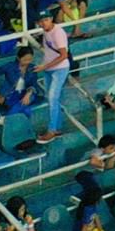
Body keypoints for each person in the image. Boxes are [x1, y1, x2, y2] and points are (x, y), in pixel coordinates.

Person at [36, 9, 72, 138]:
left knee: (52, 98)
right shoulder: (46, 32)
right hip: (49, 69)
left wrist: (44, 66)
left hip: (59, 68)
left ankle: (51, 130)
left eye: (46, 20)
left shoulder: (58, 33)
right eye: (41, 21)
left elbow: (63, 55)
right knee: (53, 99)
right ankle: (57, 127)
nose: (44, 23)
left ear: (51, 19)